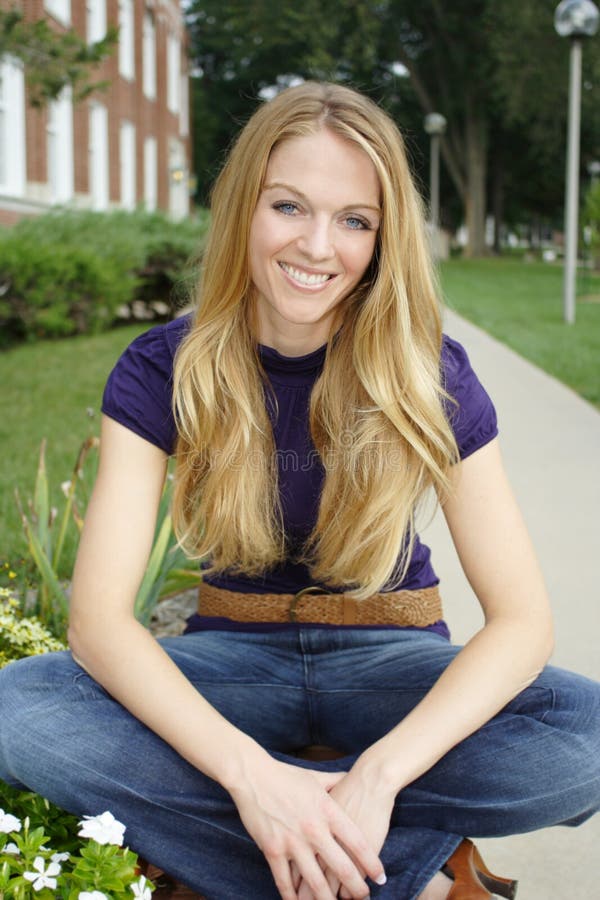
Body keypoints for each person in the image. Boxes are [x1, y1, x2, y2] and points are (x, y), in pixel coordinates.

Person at [0, 81, 599, 900]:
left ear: (383, 240)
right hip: (230, 662)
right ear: (243, 207)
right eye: (289, 207)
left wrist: (378, 777)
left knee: (584, 735)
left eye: (355, 221)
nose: (318, 247)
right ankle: (403, 875)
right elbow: (99, 624)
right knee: (18, 709)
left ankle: (290, 844)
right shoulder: (161, 368)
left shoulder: (429, 373)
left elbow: (524, 623)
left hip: (392, 658)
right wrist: (253, 778)